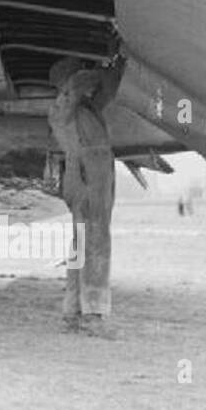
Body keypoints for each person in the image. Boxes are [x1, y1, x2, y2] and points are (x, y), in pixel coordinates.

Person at [47, 55, 125, 336]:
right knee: (95, 243)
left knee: (83, 244)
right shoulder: (62, 107)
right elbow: (80, 85)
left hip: (96, 177)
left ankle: (73, 312)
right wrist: (94, 69)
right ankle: (93, 314)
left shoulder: (86, 107)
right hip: (86, 178)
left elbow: (108, 89)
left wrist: (116, 64)